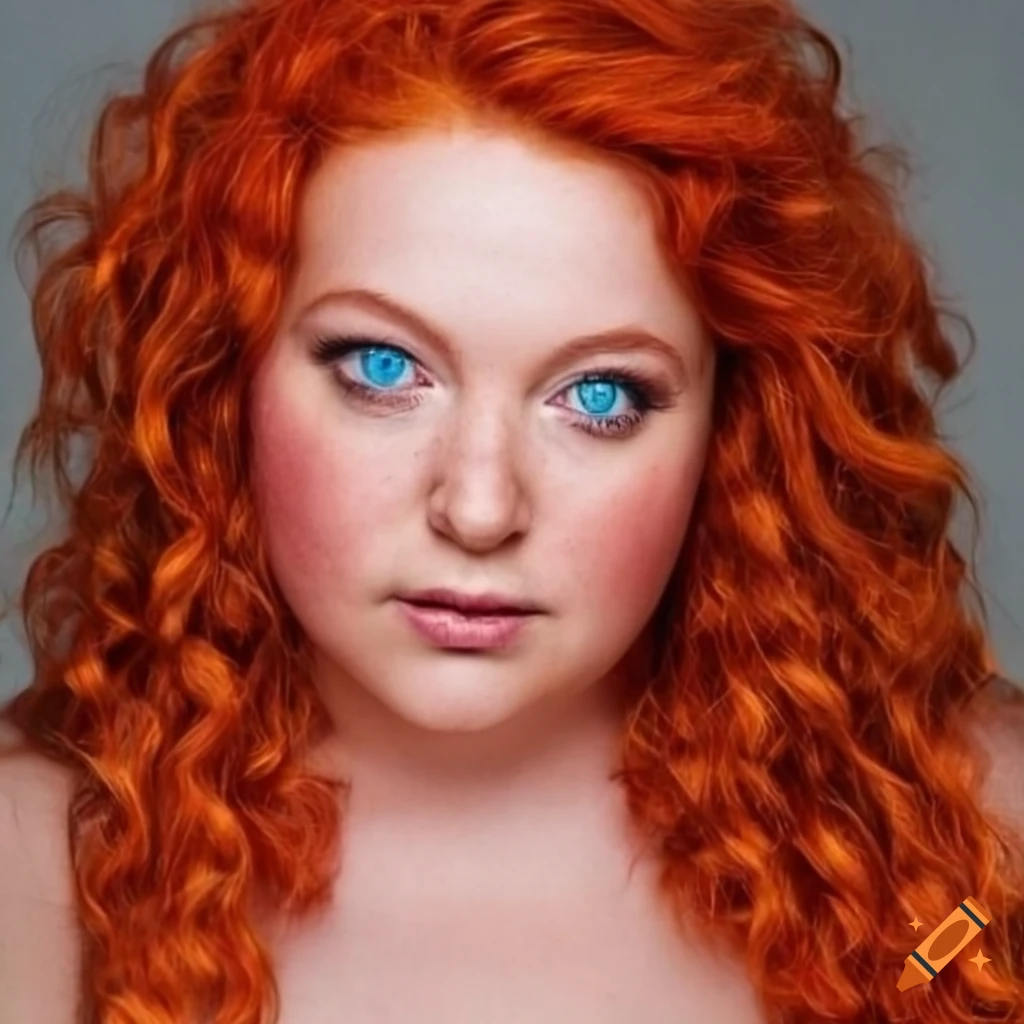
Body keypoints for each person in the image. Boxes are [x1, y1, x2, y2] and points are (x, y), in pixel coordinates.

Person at [0, 0, 1022, 1021]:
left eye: (599, 396)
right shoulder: (41, 872)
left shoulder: (970, 854)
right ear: (224, 377)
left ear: (737, 422)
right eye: (383, 366)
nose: (480, 508)